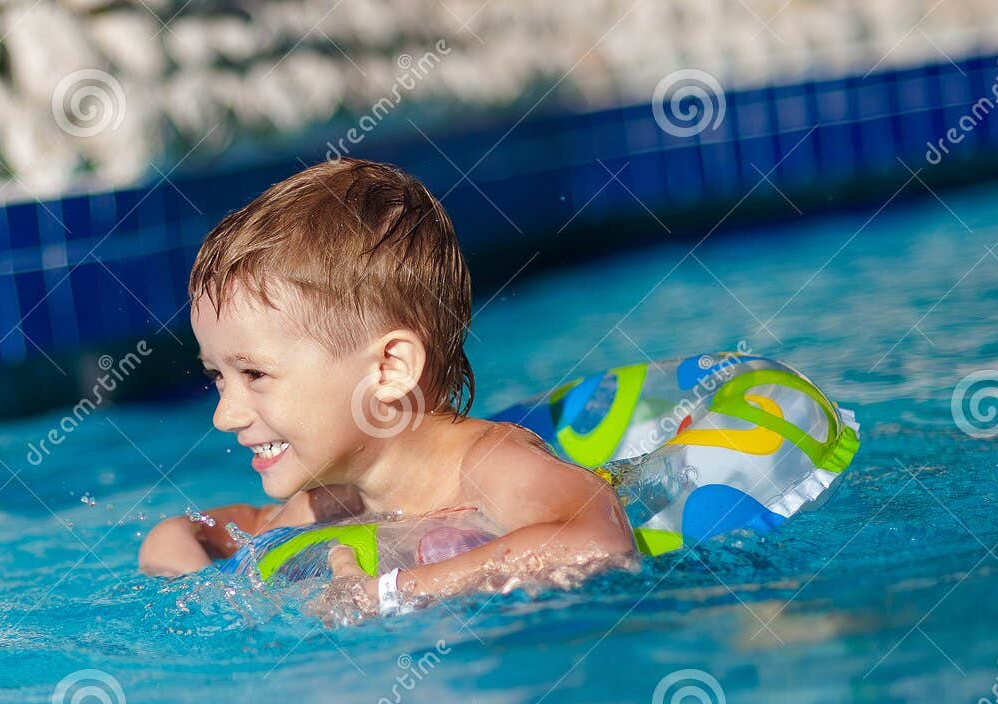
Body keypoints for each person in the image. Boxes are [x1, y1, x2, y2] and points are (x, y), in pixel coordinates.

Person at [138, 158, 634, 620]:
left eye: (255, 375)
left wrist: (390, 594)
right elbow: (180, 535)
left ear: (389, 368)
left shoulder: (491, 465)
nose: (224, 416)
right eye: (217, 377)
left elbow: (595, 540)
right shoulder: (331, 500)